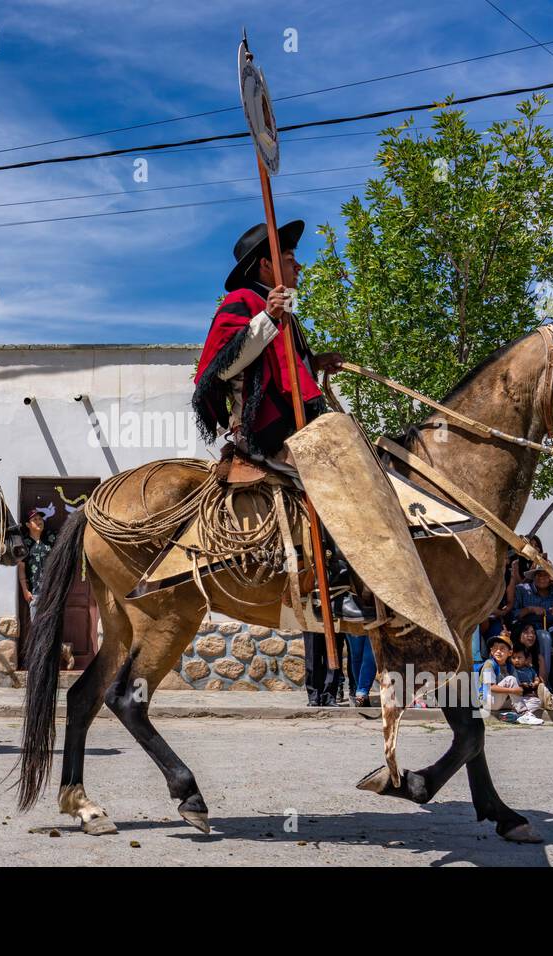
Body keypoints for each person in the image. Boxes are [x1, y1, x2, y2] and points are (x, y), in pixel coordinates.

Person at [191, 218, 367, 623]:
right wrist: (267, 319)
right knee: (336, 476)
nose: (299, 266)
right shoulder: (242, 302)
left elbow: (283, 369)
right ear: (266, 267)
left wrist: (314, 361)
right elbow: (220, 367)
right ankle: (335, 586)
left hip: (289, 423)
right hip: (262, 427)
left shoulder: (280, 312)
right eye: (289, 258)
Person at [513, 564, 553, 693]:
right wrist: (529, 609)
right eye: (538, 575)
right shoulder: (522, 590)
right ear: (533, 577)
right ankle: (545, 682)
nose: (542, 578)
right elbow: (513, 615)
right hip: (530, 631)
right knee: (544, 636)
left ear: (551, 578)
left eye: (546, 575)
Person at [478, 633, 542, 724]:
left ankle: (513, 716)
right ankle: (523, 713)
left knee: (536, 701)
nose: (498, 651)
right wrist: (512, 691)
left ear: (510, 653)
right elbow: (490, 687)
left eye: (502, 648)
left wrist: (522, 691)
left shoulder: (510, 667)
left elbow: (517, 687)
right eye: (495, 648)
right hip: (487, 700)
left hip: (502, 700)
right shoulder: (489, 664)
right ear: (491, 651)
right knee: (510, 679)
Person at [18, 509, 57, 621]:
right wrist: (25, 590)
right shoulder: (24, 543)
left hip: (52, 591)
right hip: (35, 593)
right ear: (28, 525)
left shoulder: (51, 538)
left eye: (40, 518)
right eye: (35, 519)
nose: (39, 521)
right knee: (36, 625)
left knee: (50, 624)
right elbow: (21, 567)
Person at [345, 632, 377, 707]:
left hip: (375, 622)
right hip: (352, 621)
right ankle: (362, 694)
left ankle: (362, 691)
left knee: (371, 654)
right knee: (356, 656)